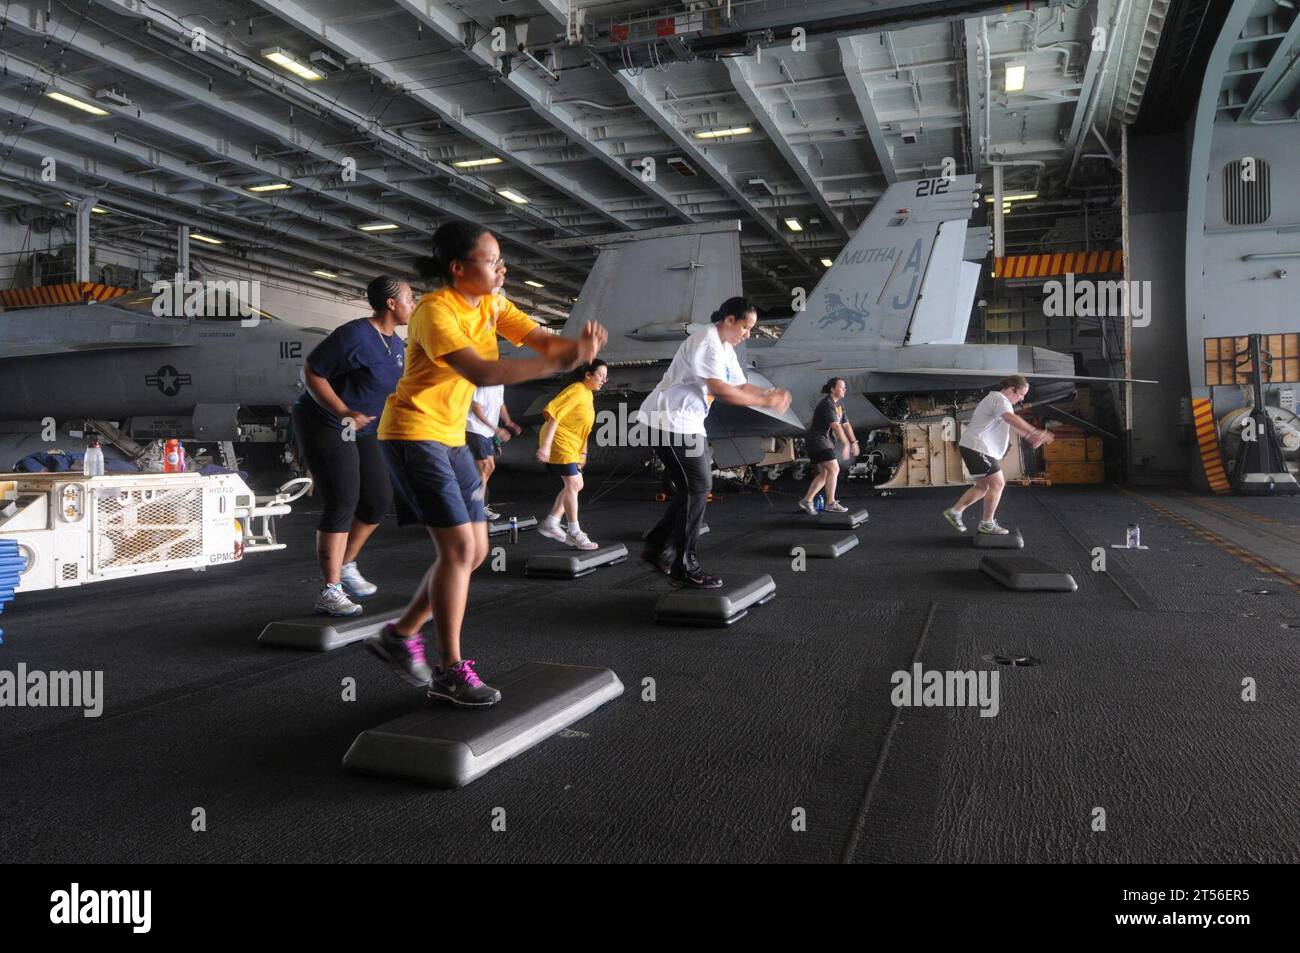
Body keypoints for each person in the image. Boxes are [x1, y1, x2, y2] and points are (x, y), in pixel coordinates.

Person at [368, 222, 606, 706]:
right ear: (458, 268)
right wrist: (562, 362)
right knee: (458, 551)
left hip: (451, 436)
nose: (502, 269)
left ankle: (400, 634)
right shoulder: (435, 312)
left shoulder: (494, 304)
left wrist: (575, 350)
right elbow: (481, 371)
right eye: (491, 260)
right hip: (413, 434)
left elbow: (543, 341)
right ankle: (449, 670)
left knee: (474, 552)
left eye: (501, 260)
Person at [637, 297, 791, 589]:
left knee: (694, 488)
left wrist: (770, 392)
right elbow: (722, 391)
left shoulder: (725, 348)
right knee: (697, 487)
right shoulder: (707, 341)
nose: (748, 334)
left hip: (686, 424)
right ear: (729, 320)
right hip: (667, 422)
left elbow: (739, 385)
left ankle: (658, 547)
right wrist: (766, 400)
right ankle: (683, 566)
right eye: (745, 327)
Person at [291, 275, 414, 616]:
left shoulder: (397, 345)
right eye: (410, 298)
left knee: (377, 498)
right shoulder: (354, 335)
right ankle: (330, 591)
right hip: (327, 422)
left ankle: (345, 565)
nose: (413, 305)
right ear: (391, 304)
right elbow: (312, 373)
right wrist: (343, 411)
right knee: (344, 498)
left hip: (364, 429)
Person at [943, 374, 1054, 535]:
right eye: (1021, 394)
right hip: (978, 447)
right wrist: (1036, 431)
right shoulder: (1000, 399)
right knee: (998, 483)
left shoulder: (999, 402)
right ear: (1011, 389)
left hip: (973, 447)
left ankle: (955, 512)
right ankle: (987, 524)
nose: (1022, 399)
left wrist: (1030, 436)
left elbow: (1009, 423)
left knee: (983, 487)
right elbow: (1010, 418)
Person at [536, 360, 607, 550]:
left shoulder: (588, 395)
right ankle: (574, 531)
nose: (604, 380)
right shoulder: (576, 390)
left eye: (605, 376)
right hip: (559, 439)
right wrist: (546, 446)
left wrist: (582, 452)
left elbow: (583, 428)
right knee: (573, 483)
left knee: (577, 484)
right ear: (588, 375)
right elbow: (553, 413)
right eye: (601, 375)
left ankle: (552, 521)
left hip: (571, 444)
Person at [798, 377, 858, 515]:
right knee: (834, 468)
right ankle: (830, 503)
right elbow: (836, 426)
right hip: (817, 441)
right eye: (841, 387)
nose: (844, 389)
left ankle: (806, 501)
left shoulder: (839, 405)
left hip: (824, 441)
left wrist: (854, 442)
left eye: (845, 387)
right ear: (832, 389)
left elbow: (846, 424)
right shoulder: (827, 404)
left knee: (825, 474)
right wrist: (846, 443)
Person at [466, 384, 520, 521]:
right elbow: (475, 407)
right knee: (483, 467)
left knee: (489, 467)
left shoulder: (499, 384)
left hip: (487, 433)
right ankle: (475, 508)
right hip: (474, 429)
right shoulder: (482, 384)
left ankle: (477, 505)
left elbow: (500, 404)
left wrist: (508, 422)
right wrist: (496, 430)